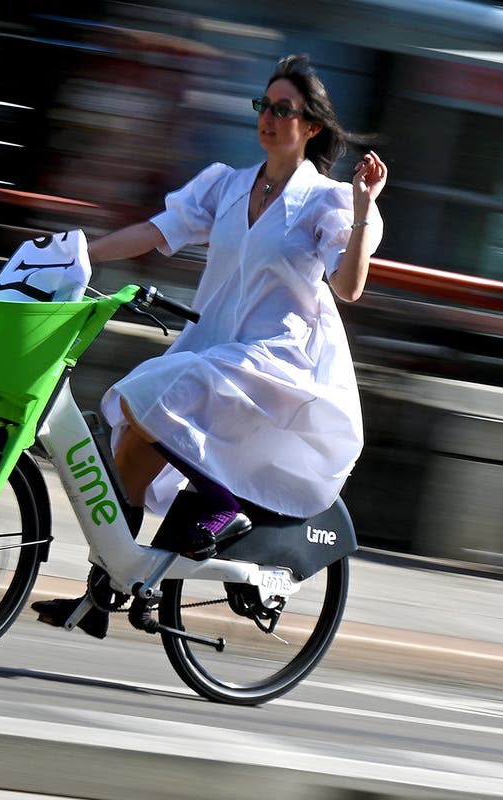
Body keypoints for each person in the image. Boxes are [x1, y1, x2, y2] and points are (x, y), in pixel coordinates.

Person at [33, 55, 388, 638]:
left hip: (276, 359)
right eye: (263, 105)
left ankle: (226, 506)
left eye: (282, 109)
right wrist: (79, 255)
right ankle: (104, 595)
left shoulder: (327, 201)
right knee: (131, 451)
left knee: (145, 392)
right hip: (217, 347)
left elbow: (348, 287)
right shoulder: (226, 185)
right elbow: (157, 231)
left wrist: (364, 204)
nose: (267, 117)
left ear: (311, 126)